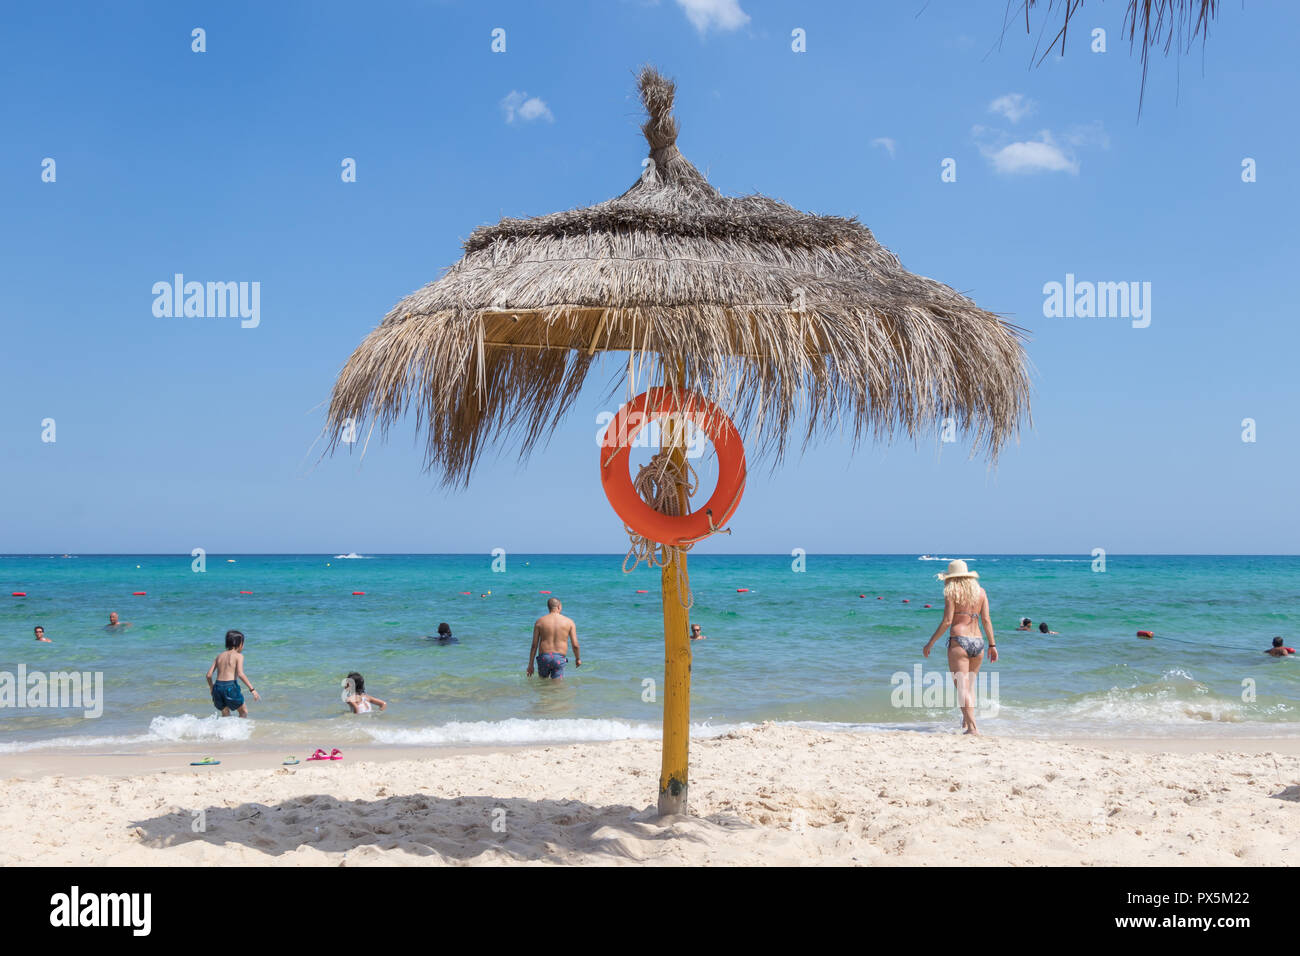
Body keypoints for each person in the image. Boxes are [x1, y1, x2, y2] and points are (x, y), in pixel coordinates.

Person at [922, 560, 997, 735]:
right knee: (969, 686)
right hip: (979, 642)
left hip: (959, 641)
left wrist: (930, 642)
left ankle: (972, 728)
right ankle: (966, 722)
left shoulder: (952, 592)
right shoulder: (981, 592)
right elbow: (986, 620)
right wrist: (993, 644)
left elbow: (947, 621)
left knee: (962, 687)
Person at [205, 629, 260, 717]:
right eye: (243, 643)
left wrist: (212, 688)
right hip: (230, 687)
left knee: (225, 713)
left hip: (217, 687)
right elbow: (241, 674)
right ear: (239, 643)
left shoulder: (219, 656)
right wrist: (252, 690)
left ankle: (226, 730)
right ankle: (239, 730)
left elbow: (208, 675)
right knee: (243, 711)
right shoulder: (239, 656)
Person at [526, 597, 580, 679]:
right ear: (559, 607)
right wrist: (577, 659)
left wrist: (530, 664)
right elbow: (575, 645)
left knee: (543, 684)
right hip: (559, 658)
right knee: (557, 686)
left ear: (548, 607)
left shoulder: (540, 621)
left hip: (544, 658)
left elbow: (534, 645)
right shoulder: (569, 622)